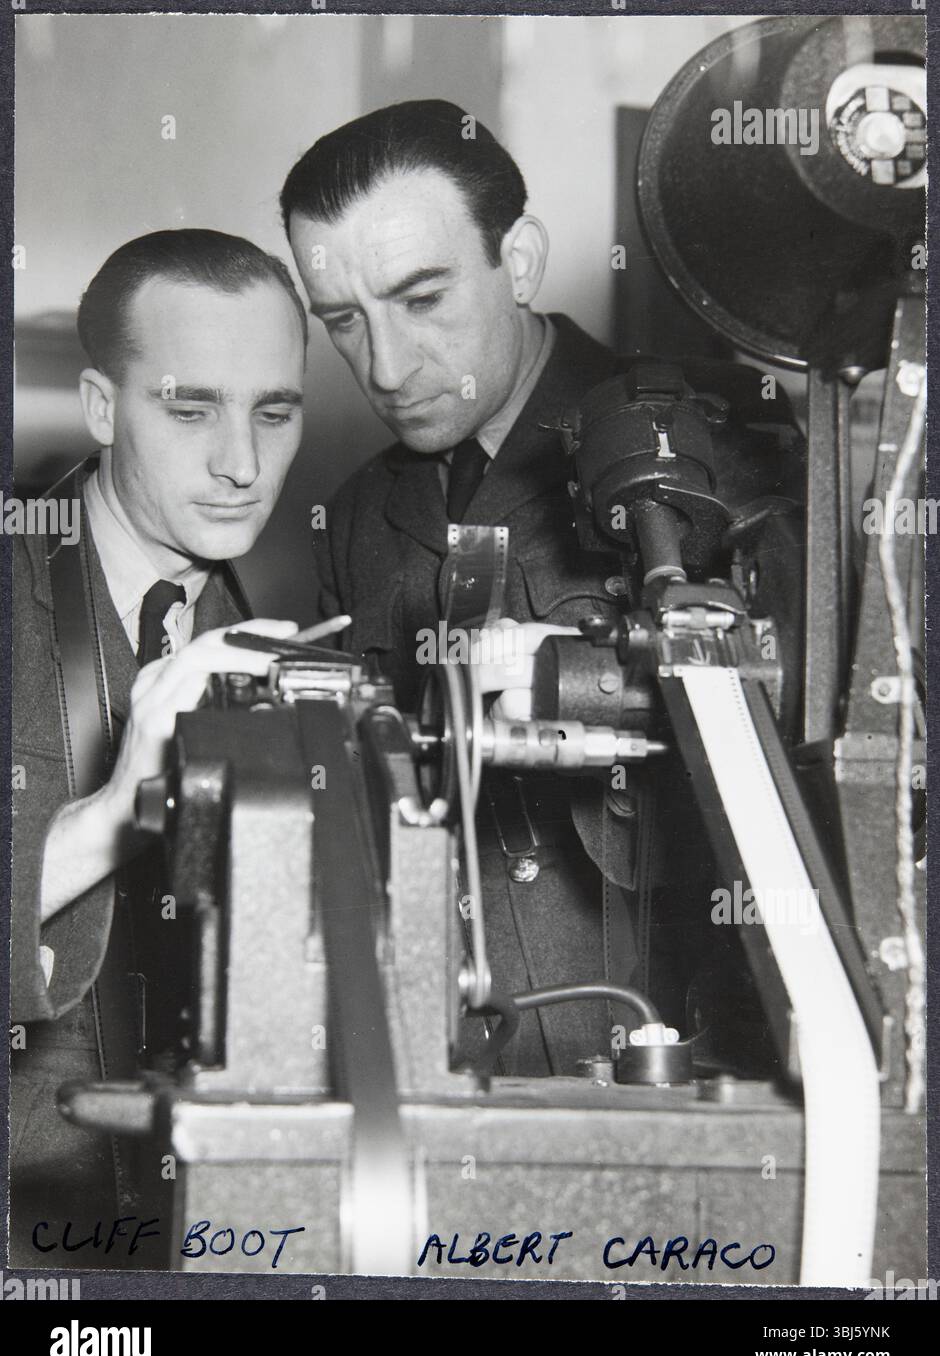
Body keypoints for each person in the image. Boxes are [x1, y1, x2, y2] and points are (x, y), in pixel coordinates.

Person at [280, 100, 805, 1077]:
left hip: (673, 1084)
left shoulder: (704, 452)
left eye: (422, 298)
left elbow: (814, 740)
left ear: (517, 261)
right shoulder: (359, 516)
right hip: (441, 1078)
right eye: (343, 321)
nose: (385, 367)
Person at [10, 228, 307, 1266]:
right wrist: (110, 811)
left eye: (274, 412)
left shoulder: (288, 635)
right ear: (100, 408)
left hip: (207, 1230)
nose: (241, 462)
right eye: (189, 409)